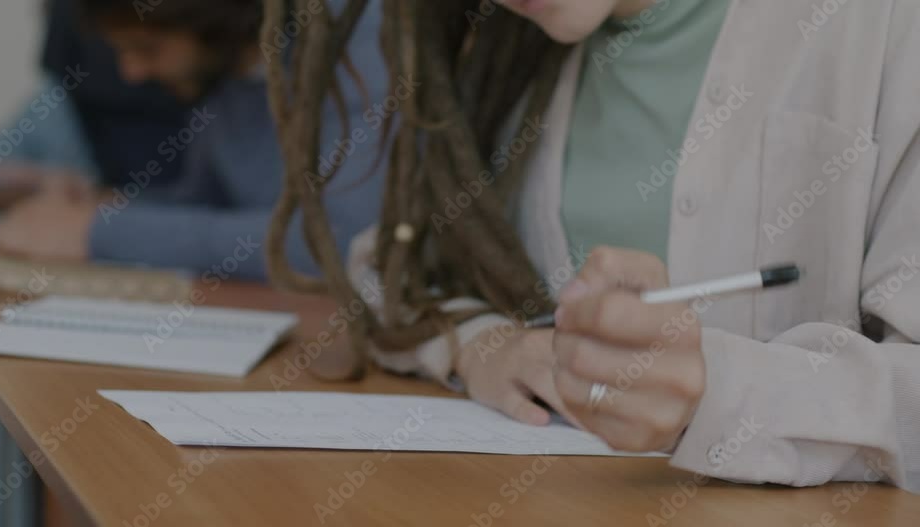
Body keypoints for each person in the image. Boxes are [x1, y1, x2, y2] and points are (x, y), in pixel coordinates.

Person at [267, 0, 920, 491]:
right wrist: (479, 344)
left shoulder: (885, 24)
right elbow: (387, 270)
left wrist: (721, 393)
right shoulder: (515, 45)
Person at [0, 0, 387, 282]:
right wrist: (104, 205)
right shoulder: (220, 76)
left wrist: (100, 233)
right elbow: (204, 202)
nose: (131, 72)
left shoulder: (359, 41)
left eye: (147, 48)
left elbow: (344, 243)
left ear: (216, 16)